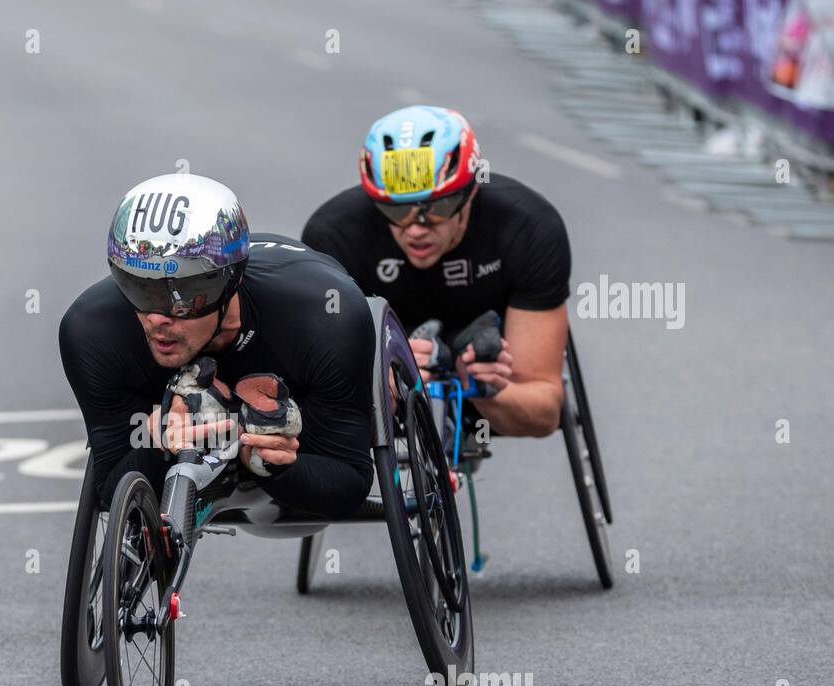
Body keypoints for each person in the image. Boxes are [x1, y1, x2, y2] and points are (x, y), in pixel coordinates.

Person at [59, 173, 375, 521]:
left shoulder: (326, 316)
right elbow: (108, 492)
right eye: (137, 288)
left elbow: (348, 486)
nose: (156, 318)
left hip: (302, 406)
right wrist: (156, 444)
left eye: (182, 297)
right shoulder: (92, 329)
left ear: (230, 283)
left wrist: (274, 466)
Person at [302, 105, 570, 438]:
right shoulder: (334, 233)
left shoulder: (528, 227)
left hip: (486, 345)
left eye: (437, 208)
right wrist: (376, 380)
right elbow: (321, 393)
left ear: (470, 192)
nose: (415, 229)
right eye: (395, 209)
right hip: (392, 346)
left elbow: (544, 413)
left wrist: (486, 387)